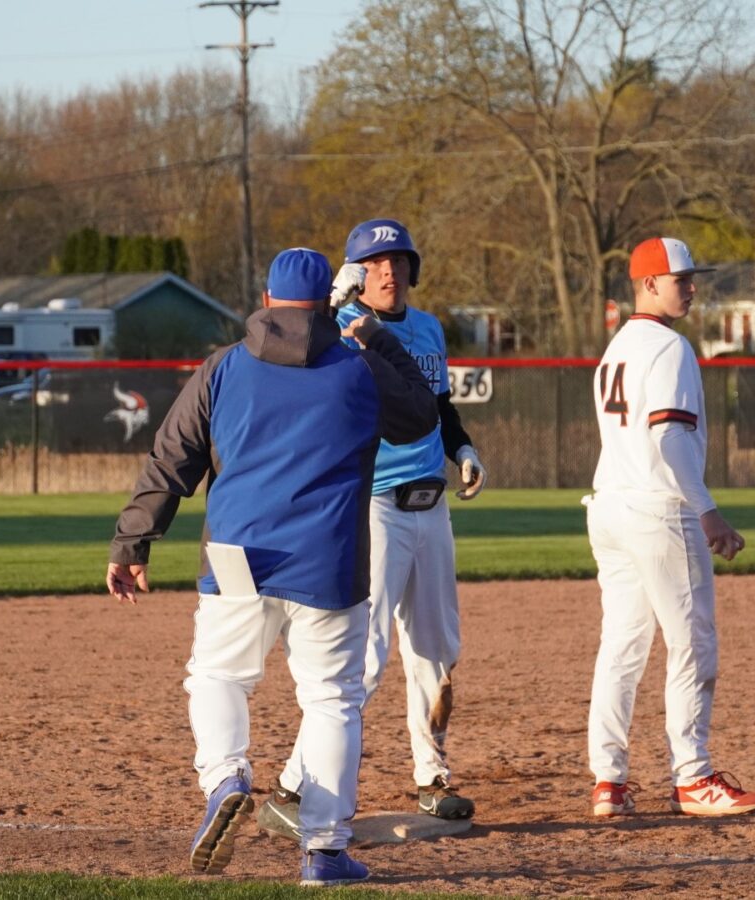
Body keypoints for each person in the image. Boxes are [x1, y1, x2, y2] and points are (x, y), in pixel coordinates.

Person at [106, 247, 438, 886]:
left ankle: (226, 777)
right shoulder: (359, 368)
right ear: (327, 304)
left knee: (218, 676)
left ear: (265, 299)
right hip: (329, 561)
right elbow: (421, 416)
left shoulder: (224, 367)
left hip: (238, 554)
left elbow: (172, 457)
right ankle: (323, 850)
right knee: (332, 700)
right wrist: (380, 340)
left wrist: (133, 542)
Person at [260, 219, 486, 840]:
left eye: (399, 260)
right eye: (375, 262)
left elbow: (438, 405)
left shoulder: (429, 328)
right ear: (357, 276)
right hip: (376, 507)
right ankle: (293, 785)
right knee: (362, 658)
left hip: (431, 506)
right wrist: (331, 308)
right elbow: (297, 358)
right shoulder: (340, 329)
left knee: (437, 652)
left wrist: (463, 448)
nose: (389, 271)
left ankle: (431, 775)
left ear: (413, 267)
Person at [583, 236, 755, 819]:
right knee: (692, 642)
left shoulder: (616, 348)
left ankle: (608, 781)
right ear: (647, 284)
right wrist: (707, 508)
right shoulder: (670, 346)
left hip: (610, 506)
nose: (690, 287)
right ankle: (693, 776)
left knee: (622, 646)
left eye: (691, 278)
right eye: (679, 278)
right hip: (658, 510)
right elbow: (668, 436)